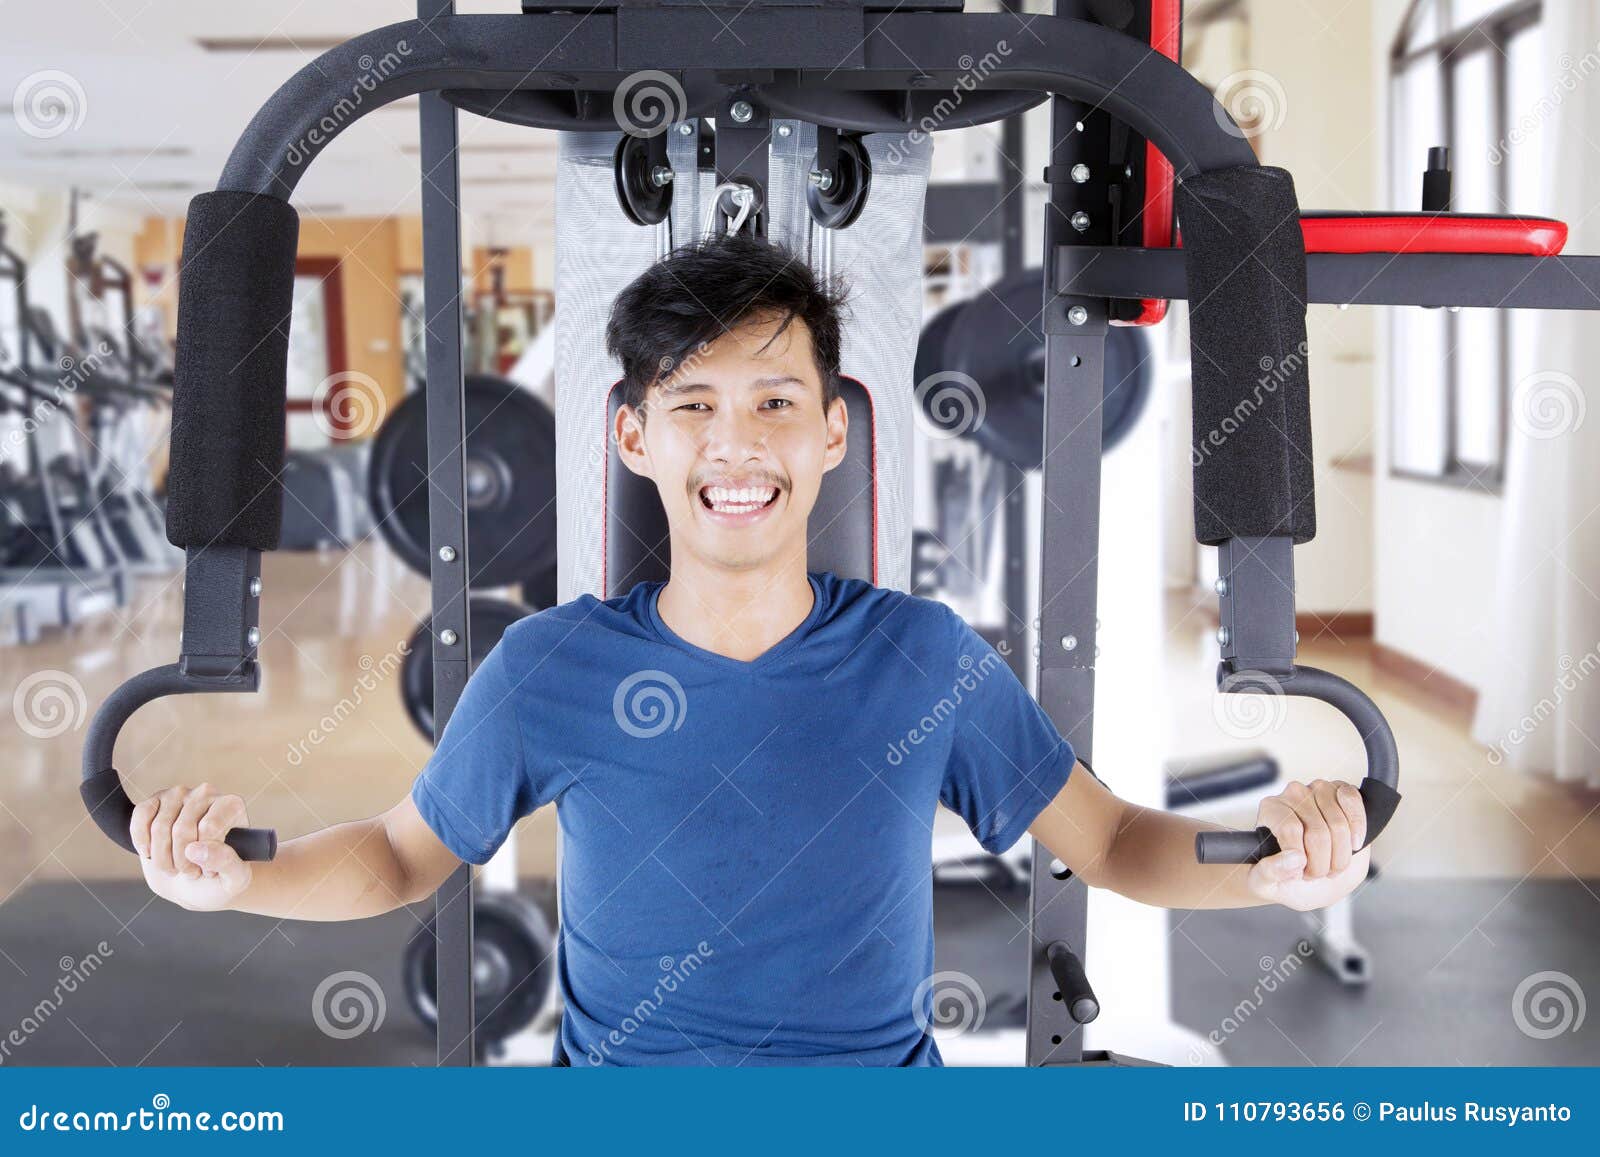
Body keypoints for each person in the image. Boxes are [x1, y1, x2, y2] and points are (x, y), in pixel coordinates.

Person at [133, 233, 1369, 1066]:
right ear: (633, 439)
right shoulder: (546, 667)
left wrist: (1275, 863)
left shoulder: (923, 658)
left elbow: (1111, 841)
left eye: (775, 402)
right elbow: (402, 853)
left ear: (834, 433)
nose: (737, 447)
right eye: (693, 406)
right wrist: (242, 876)